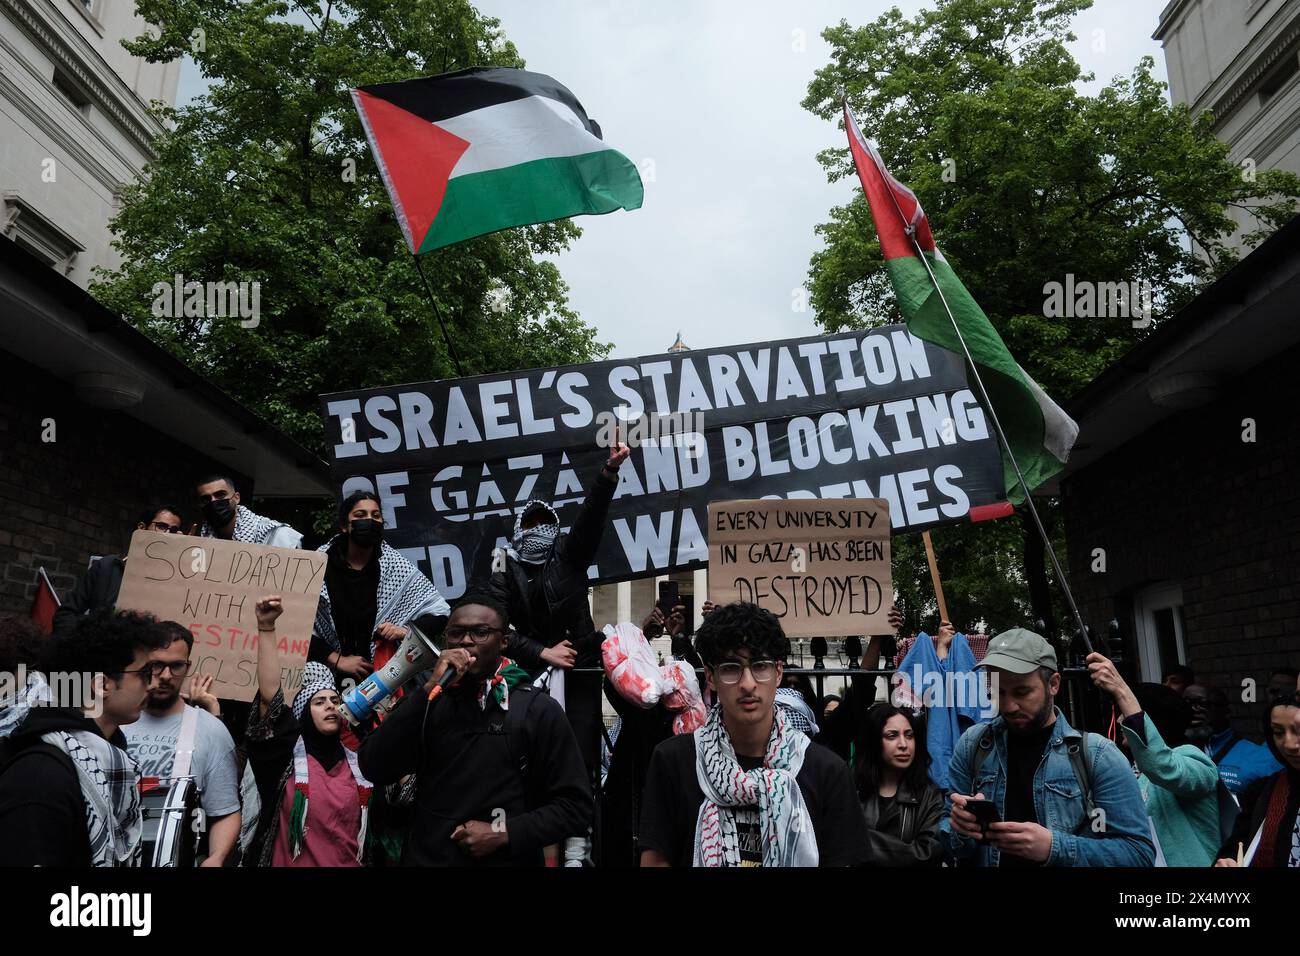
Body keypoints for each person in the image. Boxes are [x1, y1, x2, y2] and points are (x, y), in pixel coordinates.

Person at [358, 592, 593, 866]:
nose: (466, 641)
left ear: (504, 641)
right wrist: (426, 690)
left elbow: (575, 807)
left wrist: (504, 833)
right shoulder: (429, 703)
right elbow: (373, 764)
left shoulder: (537, 709)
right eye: (456, 633)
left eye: (480, 632)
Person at [638, 602, 871, 867]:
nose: (747, 684)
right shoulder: (673, 761)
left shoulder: (826, 771)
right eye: (731, 668)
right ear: (711, 677)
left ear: (778, 672)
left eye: (760, 666)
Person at [942, 628, 1154, 867]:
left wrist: (1054, 847)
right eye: (998, 692)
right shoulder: (973, 745)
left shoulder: (1097, 755)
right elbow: (952, 845)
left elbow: (1139, 854)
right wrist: (960, 828)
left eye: (1022, 692)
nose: (1009, 705)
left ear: (1053, 684)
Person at [0, 609, 166, 866]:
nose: (154, 684)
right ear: (102, 685)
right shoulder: (41, 775)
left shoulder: (109, 761)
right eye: (144, 673)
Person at [243, 596, 374, 867]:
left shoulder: (359, 764)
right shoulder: (284, 761)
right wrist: (266, 628)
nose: (330, 706)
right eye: (319, 702)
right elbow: (271, 700)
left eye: (335, 701)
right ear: (303, 713)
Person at [485, 442, 630, 674]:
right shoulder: (502, 560)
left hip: (579, 664)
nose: (538, 529)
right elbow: (493, 626)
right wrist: (542, 652)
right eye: (530, 524)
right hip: (530, 668)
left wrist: (609, 472)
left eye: (544, 524)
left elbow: (591, 517)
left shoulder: (567, 551)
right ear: (518, 529)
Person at [124, 621, 242, 867]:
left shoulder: (211, 730)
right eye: (157, 665)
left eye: (176, 666)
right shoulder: (115, 718)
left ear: (188, 666)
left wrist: (217, 857)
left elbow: (225, 809)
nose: (166, 676)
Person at [1087, 653, 1219, 867]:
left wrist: (1121, 689)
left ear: (1153, 720)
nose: (1121, 721)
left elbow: (1163, 766)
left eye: (1125, 713)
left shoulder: (1195, 759)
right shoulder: (1130, 767)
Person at [307, 490, 449, 683]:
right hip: (325, 677)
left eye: (375, 515)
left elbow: (440, 613)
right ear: (344, 525)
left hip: (383, 678)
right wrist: (337, 660)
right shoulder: (317, 564)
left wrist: (405, 630)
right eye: (360, 515)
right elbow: (295, 624)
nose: (369, 520)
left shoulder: (393, 564)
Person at [53, 506, 184, 630]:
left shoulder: (173, 580)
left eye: (173, 531)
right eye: (161, 526)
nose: (167, 534)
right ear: (142, 528)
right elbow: (66, 613)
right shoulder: (107, 567)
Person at [1214, 691, 1299, 868]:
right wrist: (1227, 861)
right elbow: (1238, 845)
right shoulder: (1264, 791)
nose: (1289, 744)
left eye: (1298, 731)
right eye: (1278, 732)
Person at [856, 703, 943, 866]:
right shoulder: (855, 791)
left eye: (909, 735)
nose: (903, 744)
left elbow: (928, 852)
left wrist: (860, 840)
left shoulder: (929, 795)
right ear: (874, 741)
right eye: (892, 735)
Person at [1183, 683, 1281, 797]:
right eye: (1185, 704)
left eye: (1203, 703)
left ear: (1226, 711)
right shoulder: (1169, 753)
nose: (1192, 709)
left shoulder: (1263, 758)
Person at [195, 474, 302, 549]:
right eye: (206, 499)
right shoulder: (198, 538)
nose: (213, 501)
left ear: (236, 498)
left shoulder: (275, 535)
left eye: (220, 495)